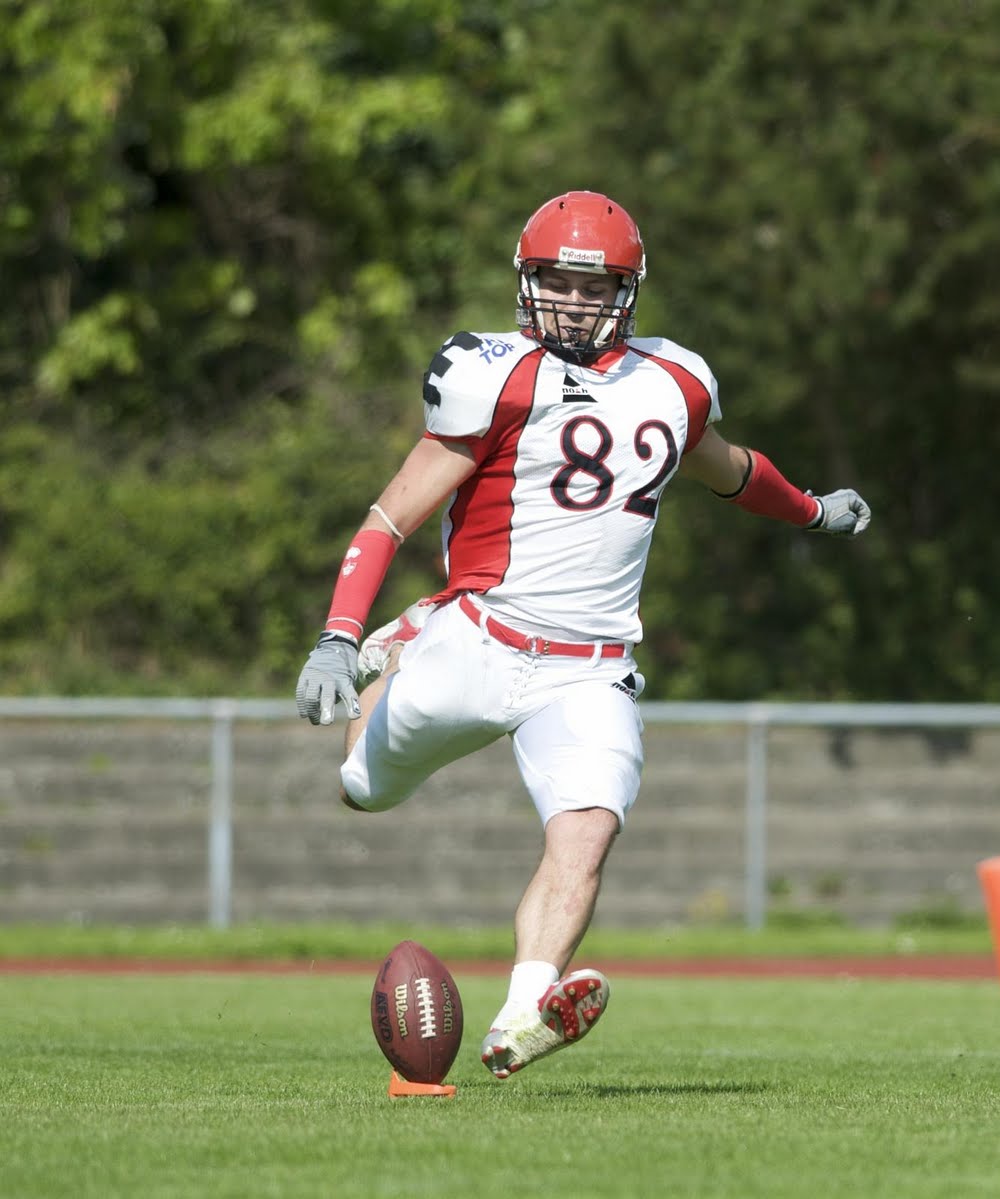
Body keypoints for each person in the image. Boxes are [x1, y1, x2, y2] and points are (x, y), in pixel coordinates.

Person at [293, 190, 872, 1080]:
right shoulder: (492, 373)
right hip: (479, 640)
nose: (571, 301)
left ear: (627, 293)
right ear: (526, 285)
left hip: (590, 665)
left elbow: (732, 470)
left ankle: (523, 1013)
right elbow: (389, 516)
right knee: (362, 786)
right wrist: (338, 633)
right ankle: (399, 643)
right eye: (554, 282)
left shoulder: (675, 382)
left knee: (587, 828)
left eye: (591, 286)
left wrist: (810, 513)